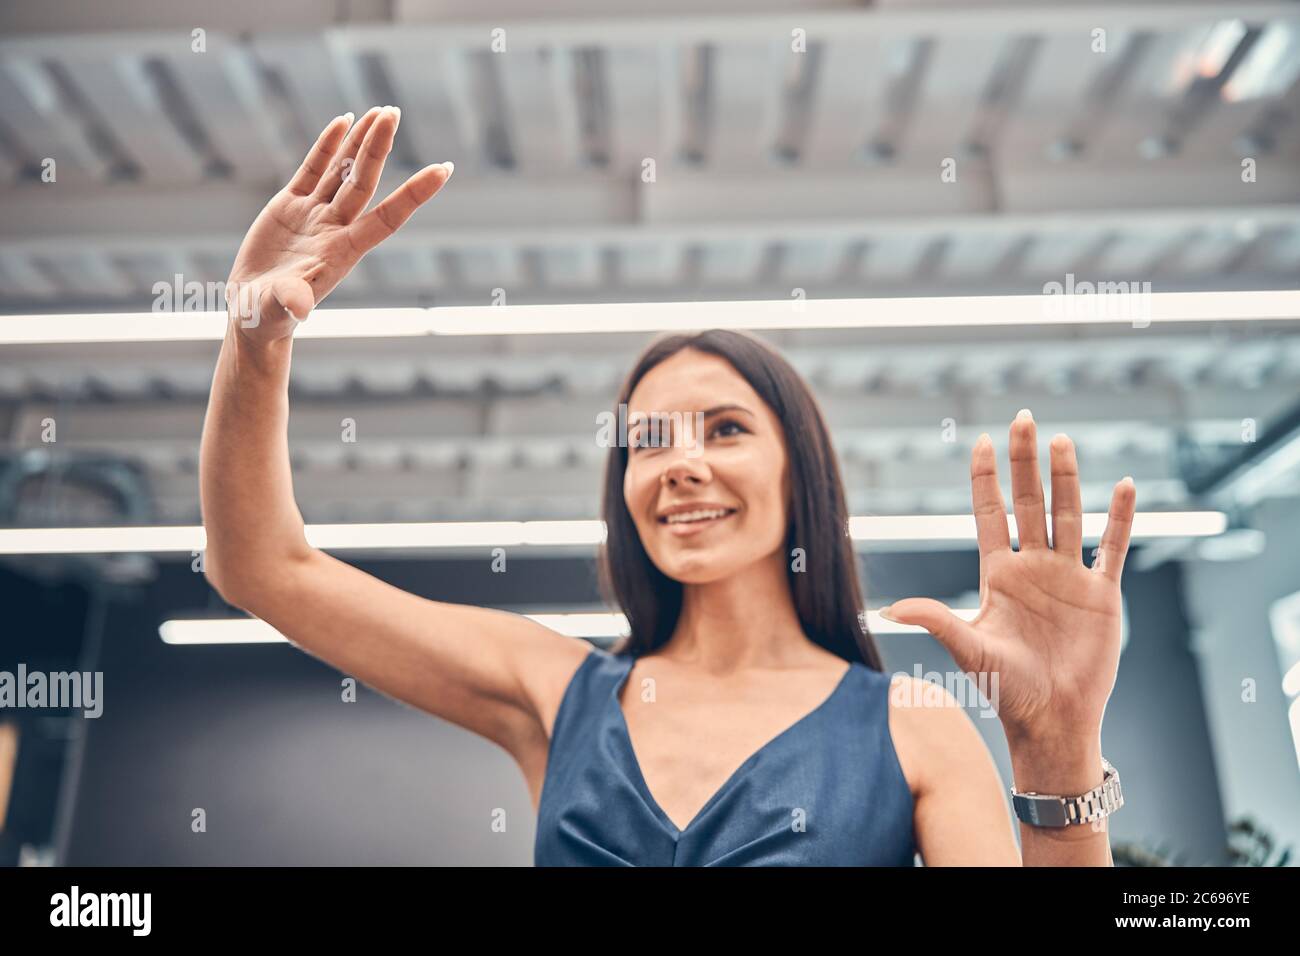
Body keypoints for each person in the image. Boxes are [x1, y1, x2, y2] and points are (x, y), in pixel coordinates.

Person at [200, 106, 1136, 866]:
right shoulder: (552, 687)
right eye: (648, 442)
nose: (682, 463)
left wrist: (1057, 752)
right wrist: (253, 346)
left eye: (726, 430)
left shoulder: (913, 728)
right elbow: (263, 568)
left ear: (796, 471)